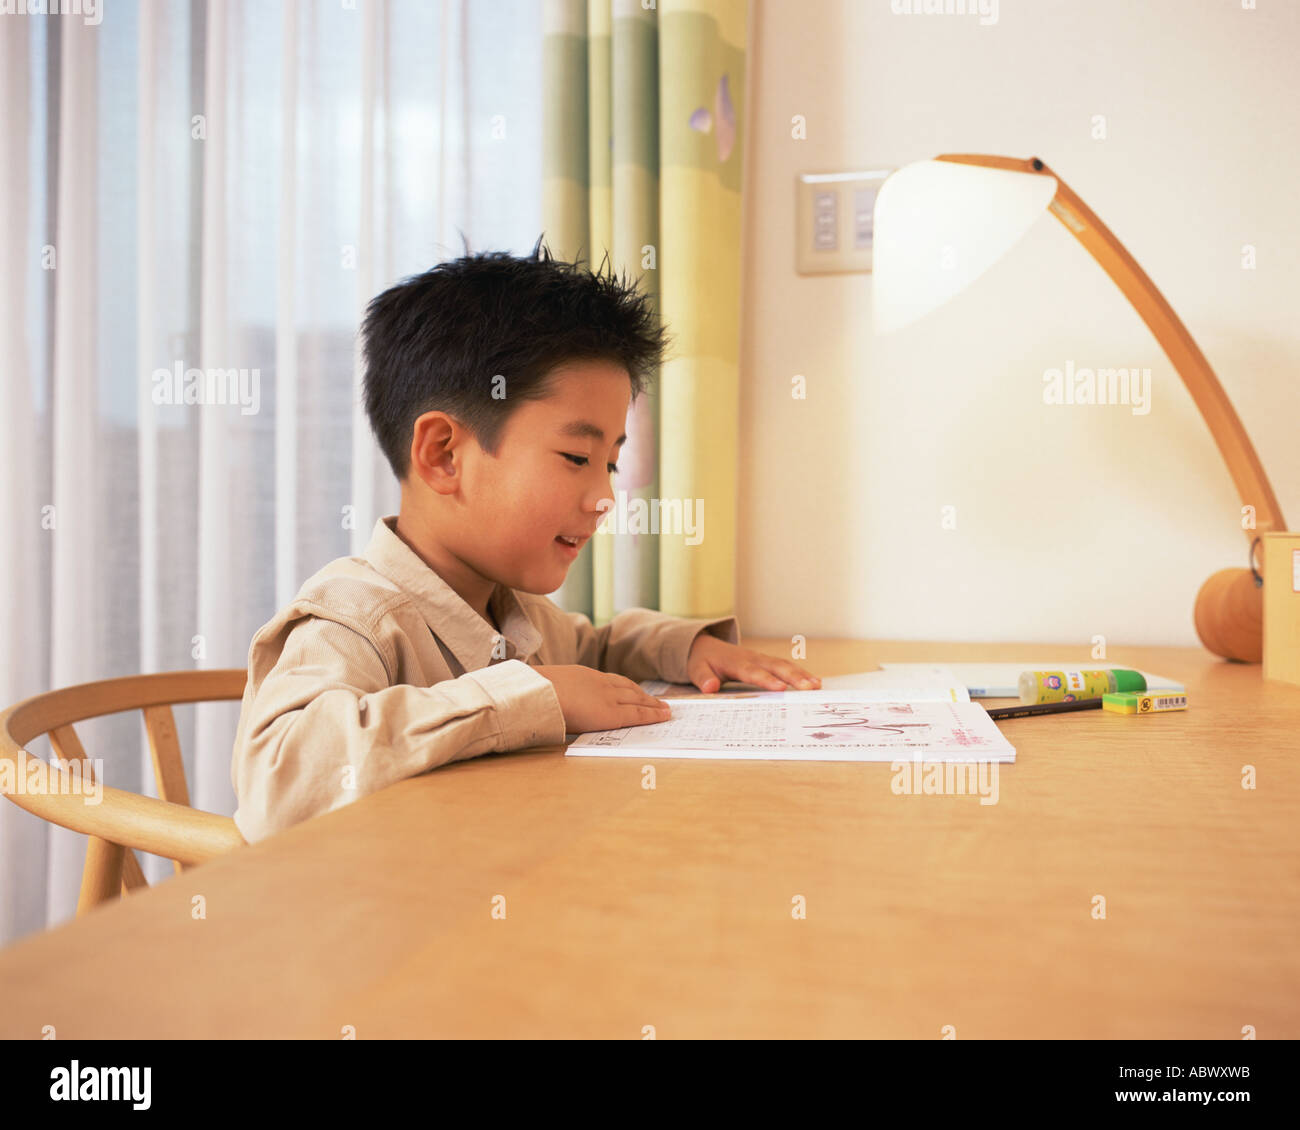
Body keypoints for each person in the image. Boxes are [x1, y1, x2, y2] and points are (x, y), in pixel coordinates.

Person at [230, 239, 820, 843]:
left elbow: (597, 648)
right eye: (576, 456)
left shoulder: (512, 611)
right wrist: (527, 697)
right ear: (443, 455)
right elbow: (280, 781)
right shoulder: (353, 620)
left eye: (610, 465)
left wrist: (683, 649)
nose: (603, 497)